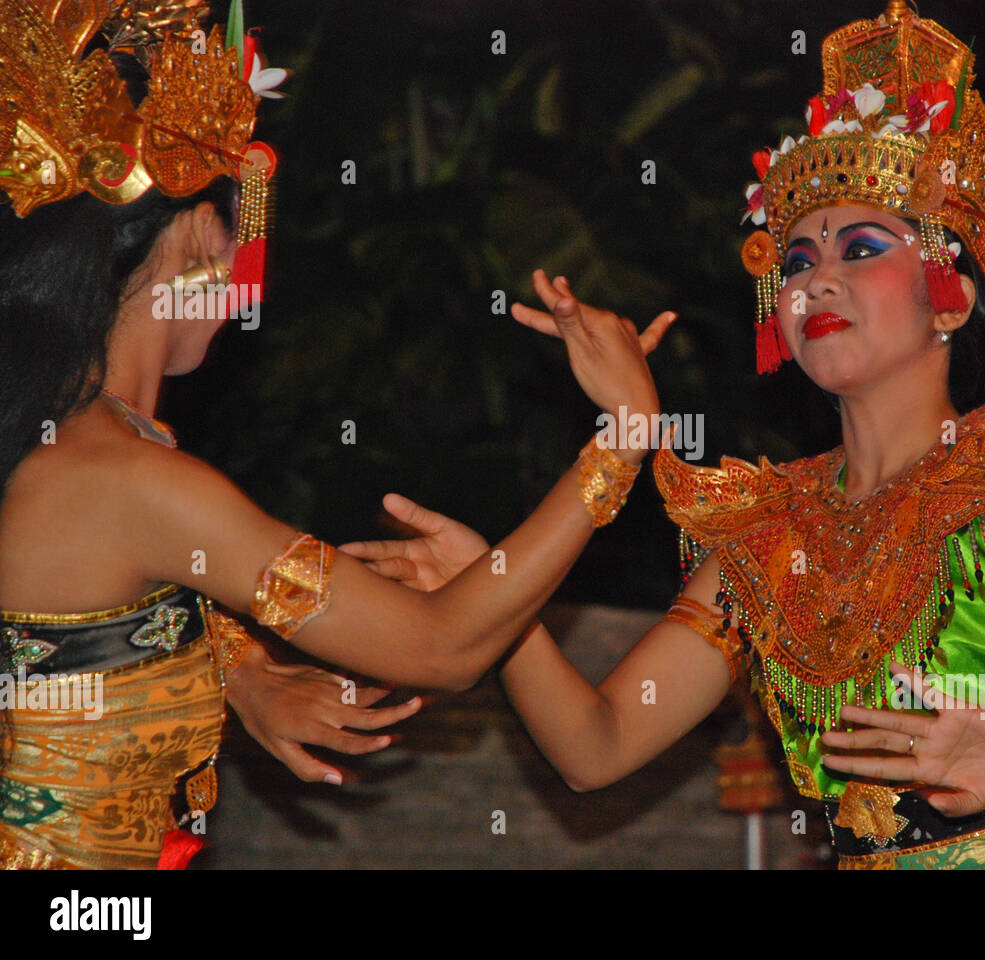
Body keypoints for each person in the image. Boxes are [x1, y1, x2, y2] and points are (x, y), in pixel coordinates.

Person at [346, 2, 985, 869]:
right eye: (795, 262)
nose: (817, 281)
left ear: (951, 295)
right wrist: (502, 604)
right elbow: (596, 746)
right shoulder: (765, 538)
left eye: (860, 248)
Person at [0, 2, 671, 869]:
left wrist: (236, 671)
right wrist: (623, 438)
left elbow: (87, 619)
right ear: (206, 235)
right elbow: (442, 645)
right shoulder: (128, 475)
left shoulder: (80, 443)